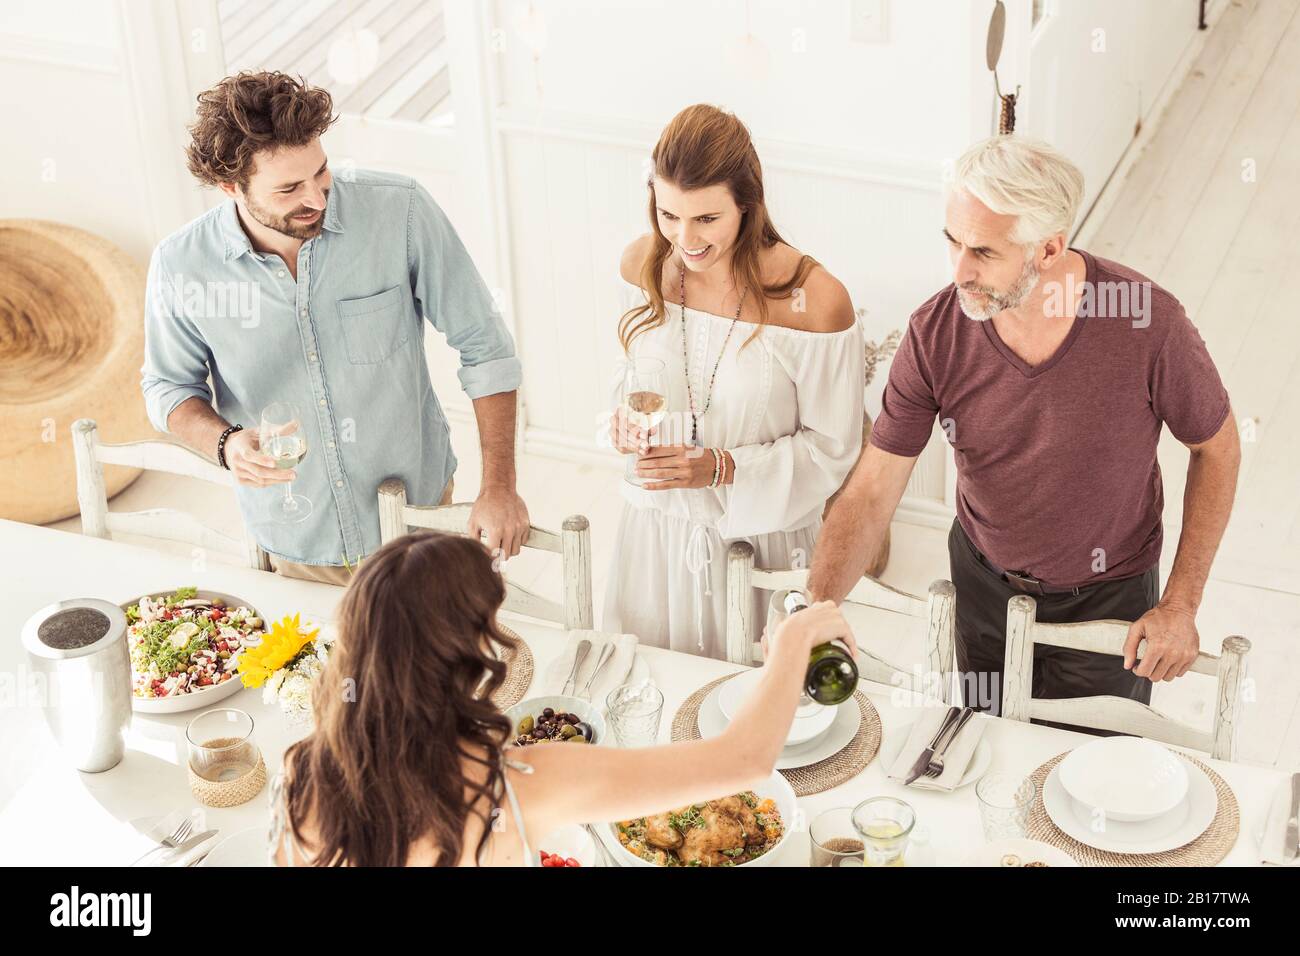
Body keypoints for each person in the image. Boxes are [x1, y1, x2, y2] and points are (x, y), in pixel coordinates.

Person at [808, 136, 1239, 730]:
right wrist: (817, 607)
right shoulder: (935, 332)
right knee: (983, 752)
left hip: (1110, 603)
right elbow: (872, 489)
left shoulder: (1148, 323)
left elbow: (1216, 449)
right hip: (984, 587)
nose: (959, 271)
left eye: (983, 251)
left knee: (1089, 779)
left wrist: (1181, 604)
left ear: (1048, 248)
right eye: (953, 242)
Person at [140, 71, 529, 584]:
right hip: (295, 537)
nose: (318, 199)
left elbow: (486, 348)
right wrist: (226, 442)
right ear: (231, 187)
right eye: (289, 189)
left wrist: (498, 485)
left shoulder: (400, 212)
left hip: (417, 522)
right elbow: (167, 387)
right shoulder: (182, 265)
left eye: (321, 172)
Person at [269, 529, 854, 866]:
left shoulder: (301, 771)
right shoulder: (519, 782)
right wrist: (791, 645)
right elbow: (741, 762)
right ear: (466, 653)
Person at [603, 104, 866, 659]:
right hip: (655, 536)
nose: (684, 240)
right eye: (668, 214)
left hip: (762, 547)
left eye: (706, 219)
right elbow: (629, 379)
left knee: (760, 714)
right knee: (653, 704)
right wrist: (620, 422)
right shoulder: (644, 263)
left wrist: (723, 468)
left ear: (748, 205)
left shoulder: (813, 302)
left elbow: (834, 450)